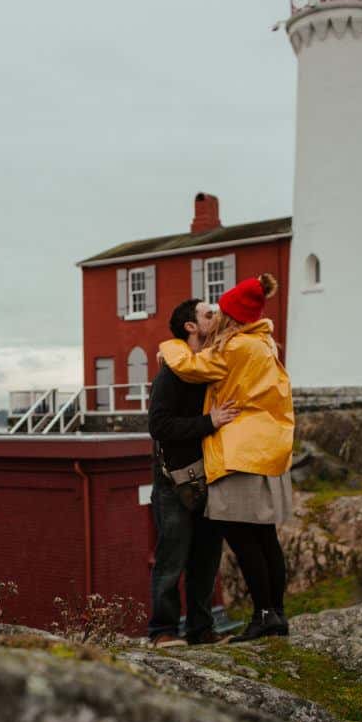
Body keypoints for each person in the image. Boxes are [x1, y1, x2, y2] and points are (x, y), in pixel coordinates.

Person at [159, 274, 294, 641]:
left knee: (244, 539)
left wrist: (169, 346)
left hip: (239, 452)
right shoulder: (263, 342)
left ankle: (264, 616)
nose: (215, 316)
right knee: (265, 537)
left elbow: (190, 366)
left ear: (232, 316)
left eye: (220, 311)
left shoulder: (234, 348)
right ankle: (276, 614)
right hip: (265, 449)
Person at [148, 298, 237, 648]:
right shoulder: (171, 372)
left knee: (206, 559)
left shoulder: (212, 366)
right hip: (175, 481)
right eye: (208, 314)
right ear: (190, 326)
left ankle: (201, 631)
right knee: (172, 558)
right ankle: (163, 632)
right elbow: (159, 426)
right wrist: (208, 422)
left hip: (211, 475)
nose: (216, 317)